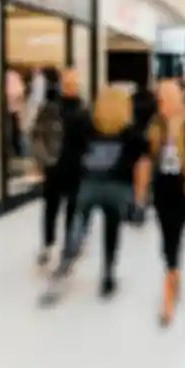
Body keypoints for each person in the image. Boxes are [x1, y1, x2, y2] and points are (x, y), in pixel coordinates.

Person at [48, 86, 146, 300]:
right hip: (118, 189)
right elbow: (141, 164)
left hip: (89, 185)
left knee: (79, 224)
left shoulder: (83, 124)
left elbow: (70, 155)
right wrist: (139, 200)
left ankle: (65, 264)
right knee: (112, 230)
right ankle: (108, 275)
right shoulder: (131, 133)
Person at [147, 80, 185, 325]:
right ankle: (173, 272)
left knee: (174, 237)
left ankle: (168, 296)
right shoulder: (155, 126)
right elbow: (147, 156)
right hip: (161, 188)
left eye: (165, 99)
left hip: (182, 190)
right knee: (167, 238)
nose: (161, 104)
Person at [34, 68, 88, 267]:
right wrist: (43, 160)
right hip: (54, 166)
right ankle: (47, 244)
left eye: (74, 84)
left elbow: (88, 140)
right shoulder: (50, 108)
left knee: (73, 208)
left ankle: (69, 245)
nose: (71, 87)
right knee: (51, 207)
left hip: (76, 167)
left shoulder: (84, 110)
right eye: (68, 83)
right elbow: (38, 135)